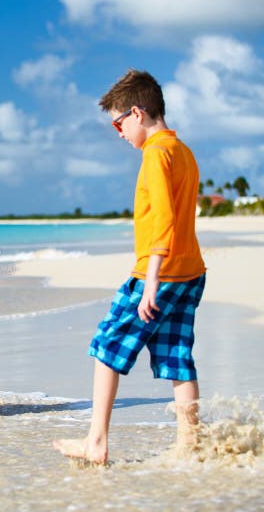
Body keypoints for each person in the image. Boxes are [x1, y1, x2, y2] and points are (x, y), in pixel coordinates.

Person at [53, 69, 207, 464]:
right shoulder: (183, 151)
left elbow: (165, 219)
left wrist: (151, 280)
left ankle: (96, 442)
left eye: (118, 124)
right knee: (176, 356)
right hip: (190, 272)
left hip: (158, 273)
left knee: (107, 345)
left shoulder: (155, 153)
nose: (119, 133)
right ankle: (191, 443)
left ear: (137, 113)